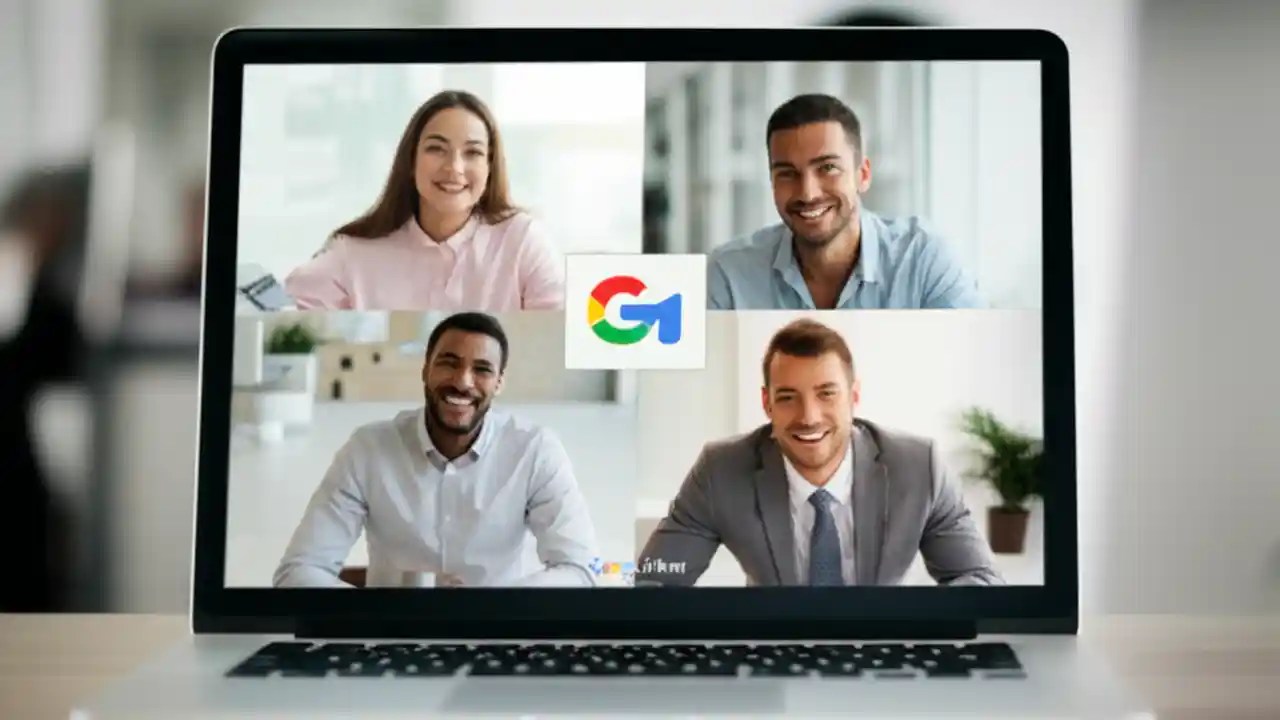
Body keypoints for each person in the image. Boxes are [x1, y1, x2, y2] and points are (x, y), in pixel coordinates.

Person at [636, 318, 1001, 587]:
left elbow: (978, 579)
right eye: (787, 398)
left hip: (880, 649)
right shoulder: (720, 471)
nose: (808, 417)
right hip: (771, 651)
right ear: (766, 403)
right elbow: (654, 583)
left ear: (854, 397)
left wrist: (920, 625)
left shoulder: (919, 467)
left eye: (827, 393)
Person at [274, 312, 597, 587]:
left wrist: (491, 606)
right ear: (425, 369)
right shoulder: (368, 449)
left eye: (482, 369)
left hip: (496, 635)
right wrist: (387, 611)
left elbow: (582, 569)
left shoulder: (535, 449)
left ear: (499, 382)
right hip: (390, 638)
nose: (463, 382)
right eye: (449, 363)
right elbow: (297, 572)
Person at [284, 91, 565, 311]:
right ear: (411, 160)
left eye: (473, 153)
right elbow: (283, 321)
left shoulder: (523, 241)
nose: (454, 167)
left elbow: (562, 337)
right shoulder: (353, 253)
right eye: (436, 149)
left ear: (490, 167)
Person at [706, 93, 982, 309]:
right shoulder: (728, 273)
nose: (808, 194)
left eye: (827, 168)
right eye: (787, 173)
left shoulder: (923, 259)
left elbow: (971, 365)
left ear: (863, 174)